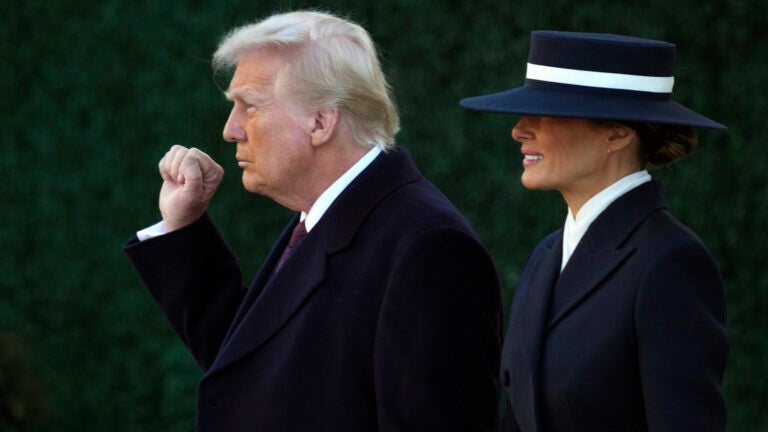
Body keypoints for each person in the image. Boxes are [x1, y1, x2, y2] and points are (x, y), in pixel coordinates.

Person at [124, 10, 503, 432]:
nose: (231, 130)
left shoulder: (428, 246)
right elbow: (252, 364)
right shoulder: (326, 215)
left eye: (249, 106)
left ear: (321, 122)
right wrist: (184, 228)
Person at [460, 31, 729, 431]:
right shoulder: (546, 257)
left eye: (547, 112)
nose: (519, 130)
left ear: (618, 134)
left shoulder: (669, 262)